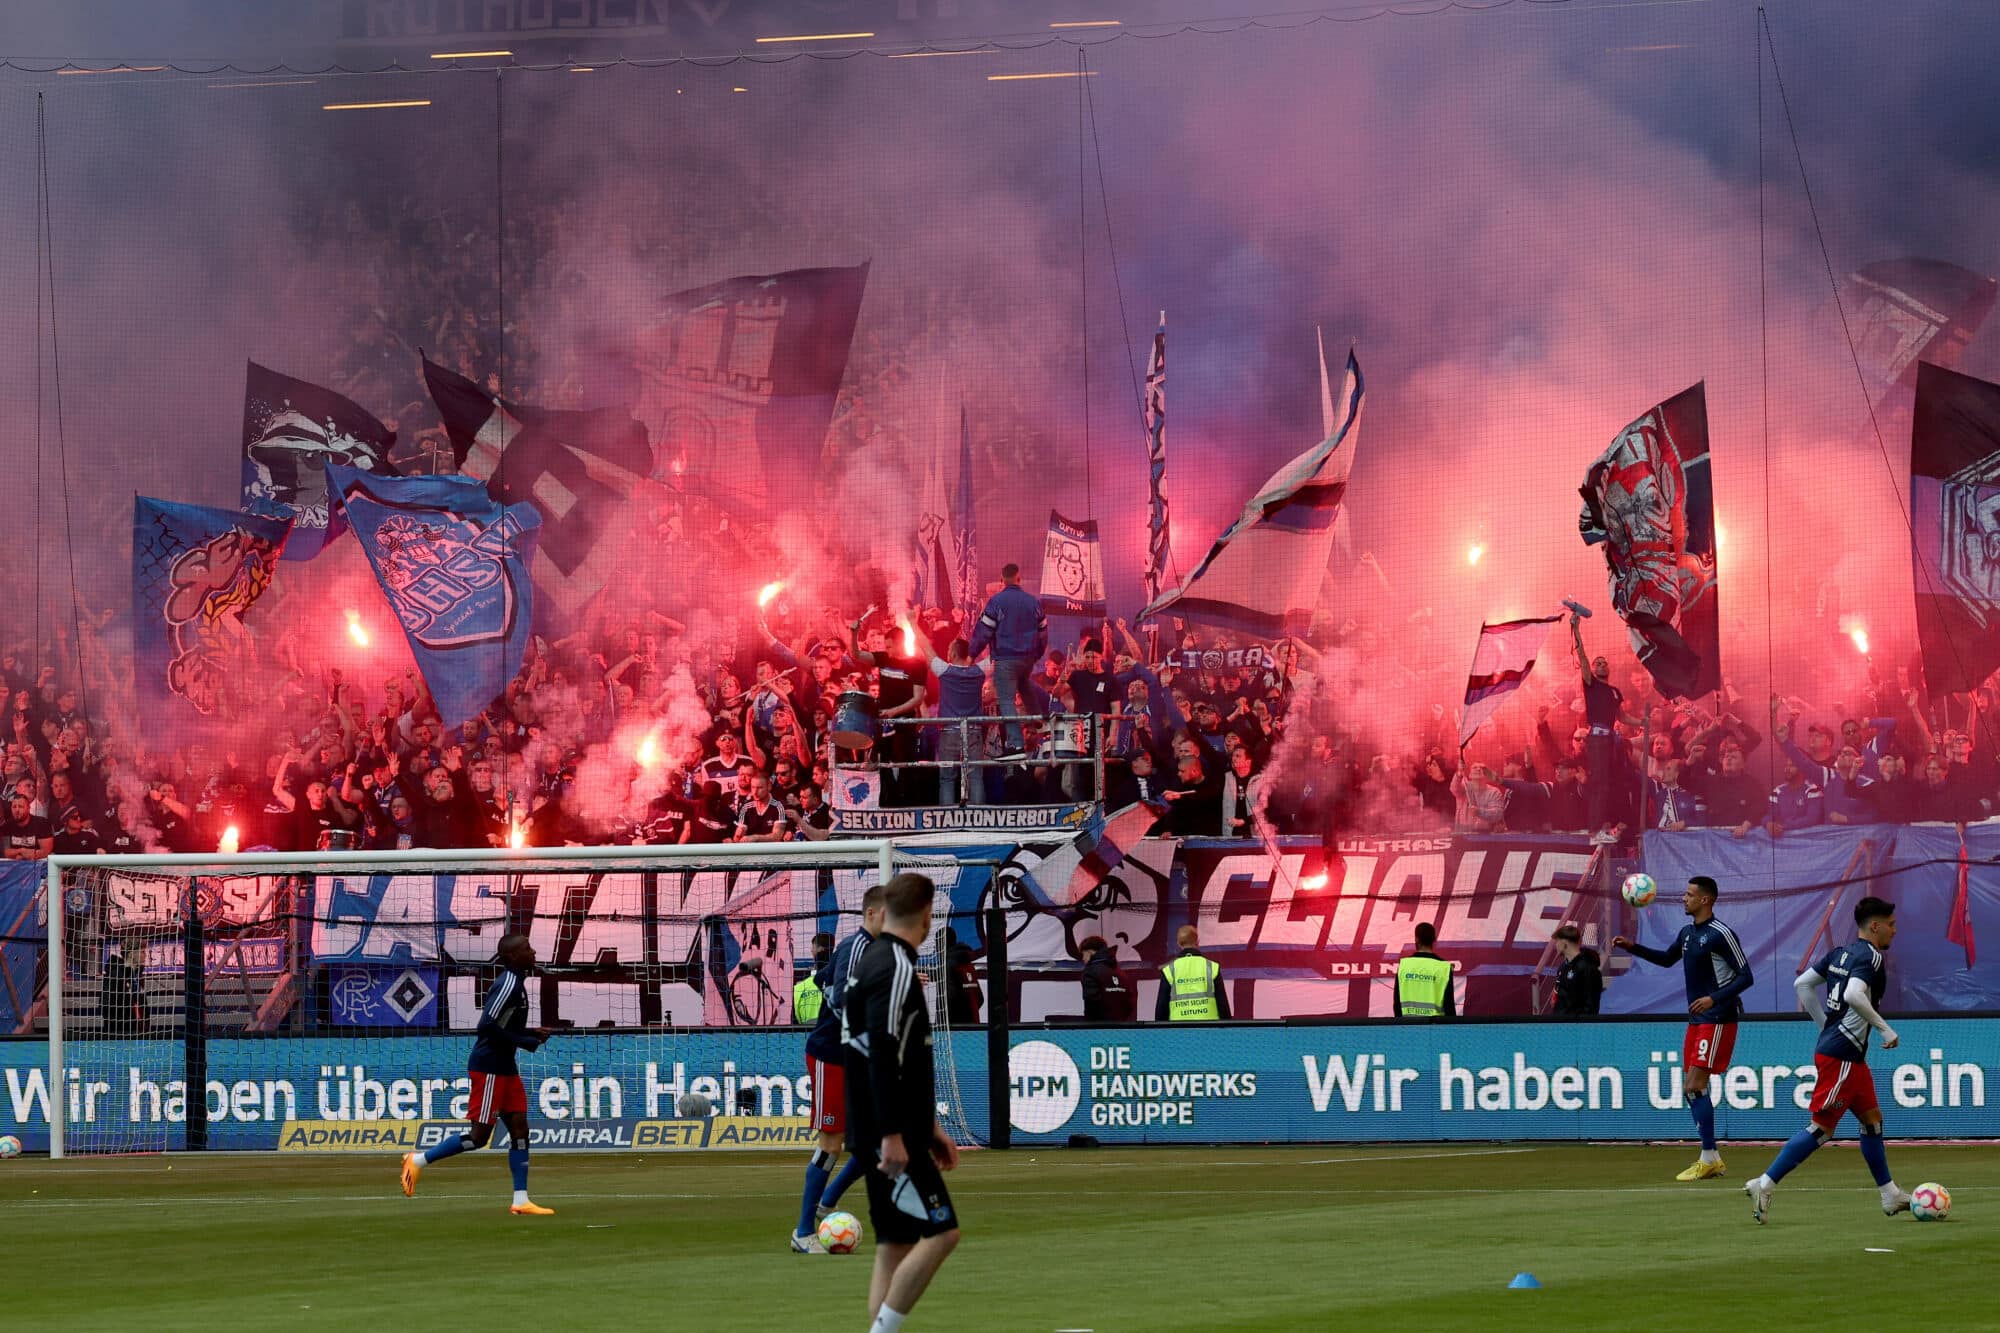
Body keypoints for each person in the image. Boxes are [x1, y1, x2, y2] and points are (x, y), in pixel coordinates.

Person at [1744, 896, 1912, 1222]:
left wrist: (1825, 1026)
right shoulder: (1871, 956)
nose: (1894, 931)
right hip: (1843, 1056)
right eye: (1890, 925)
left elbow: (1802, 985)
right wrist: (1884, 1030)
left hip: (1846, 1054)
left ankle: (1889, 1194)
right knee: (1821, 1129)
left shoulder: (1841, 953)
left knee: (1872, 1121)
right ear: (1874, 926)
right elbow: (1852, 994)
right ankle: (1764, 1183)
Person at [843, 873, 961, 1333]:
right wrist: (893, 1132)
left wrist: (928, 1127)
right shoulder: (893, 967)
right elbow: (881, 1050)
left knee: (893, 1244)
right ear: (928, 915)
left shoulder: (871, 960)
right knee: (943, 1232)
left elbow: (895, 1056)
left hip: (885, 1127)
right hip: (888, 1133)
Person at [400, 933, 554, 1215]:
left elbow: (502, 1026)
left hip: (506, 1067)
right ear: (511, 957)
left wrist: (530, 1033)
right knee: (478, 1137)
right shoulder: (507, 983)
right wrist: (525, 1041)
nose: (533, 952)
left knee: (520, 1128)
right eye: (526, 949)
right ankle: (418, 1160)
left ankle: (521, 1200)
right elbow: (486, 1026)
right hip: (490, 1067)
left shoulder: (517, 983)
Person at [1611, 876, 1752, 1181]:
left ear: (1706, 900)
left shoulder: (1721, 934)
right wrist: (1632, 947)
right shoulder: (1688, 933)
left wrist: (1712, 998)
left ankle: (1708, 1156)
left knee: (1694, 1085)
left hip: (1717, 1018)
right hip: (1697, 1019)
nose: (1683, 899)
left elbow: (1746, 976)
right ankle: (1711, 1157)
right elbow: (1665, 960)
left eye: (1689, 895)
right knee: (1691, 1089)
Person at [793, 884, 886, 1254]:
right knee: (831, 1144)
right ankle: (802, 1232)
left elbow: (820, 980)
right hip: (832, 1054)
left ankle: (826, 1202)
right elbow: (840, 998)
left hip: (856, 1058)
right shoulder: (856, 946)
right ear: (874, 914)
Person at [968, 563, 1048, 756]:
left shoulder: (996, 602)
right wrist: (1037, 654)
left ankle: (1015, 743)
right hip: (1027, 658)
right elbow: (1043, 632)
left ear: (1002, 580)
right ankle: (1038, 719)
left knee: (1006, 700)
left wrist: (972, 653)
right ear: (1019, 579)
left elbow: (984, 631)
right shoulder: (1033, 602)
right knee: (1024, 683)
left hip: (1005, 659)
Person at [1155, 924, 1229, 1021]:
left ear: (1178, 943)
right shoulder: (1211, 967)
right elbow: (1223, 1006)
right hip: (1209, 1030)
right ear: (1197, 941)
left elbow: (1161, 1010)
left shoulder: (1169, 970)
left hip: (1178, 1031)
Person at [1393, 921, 1456, 1018]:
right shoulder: (1444, 967)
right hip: (1436, 1028)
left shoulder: (1404, 965)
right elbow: (1449, 1005)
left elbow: (1397, 1003)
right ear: (1434, 940)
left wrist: (1401, 1025)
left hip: (1408, 1026)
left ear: (1416, 939)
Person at [1548, 923, 1602, 1016]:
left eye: (1557, 941)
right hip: (1560, 1025)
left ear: (1564, 943)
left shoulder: (1588, 968)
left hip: (1577, 1028)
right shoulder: (1563, 967)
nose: (1555, 945)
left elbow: (1591, 1006)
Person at [1078, 935, 1134, 1021]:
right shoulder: (1120, 972)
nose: (1083, 959)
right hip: (1121, 1027)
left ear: (1090, 952)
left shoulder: (1090, 971)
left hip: (1098, 1029)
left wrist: (1089, 1025)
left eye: (1083, 954)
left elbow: (1091, 1002)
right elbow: (1129, 1001)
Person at [794, 932, 835, 1024]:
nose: (811, 950)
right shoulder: (841, 980)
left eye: (813, 947)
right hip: (833, 1031)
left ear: (820, 949)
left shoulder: (801, 987)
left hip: (807, 1033)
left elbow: (796, 1019)